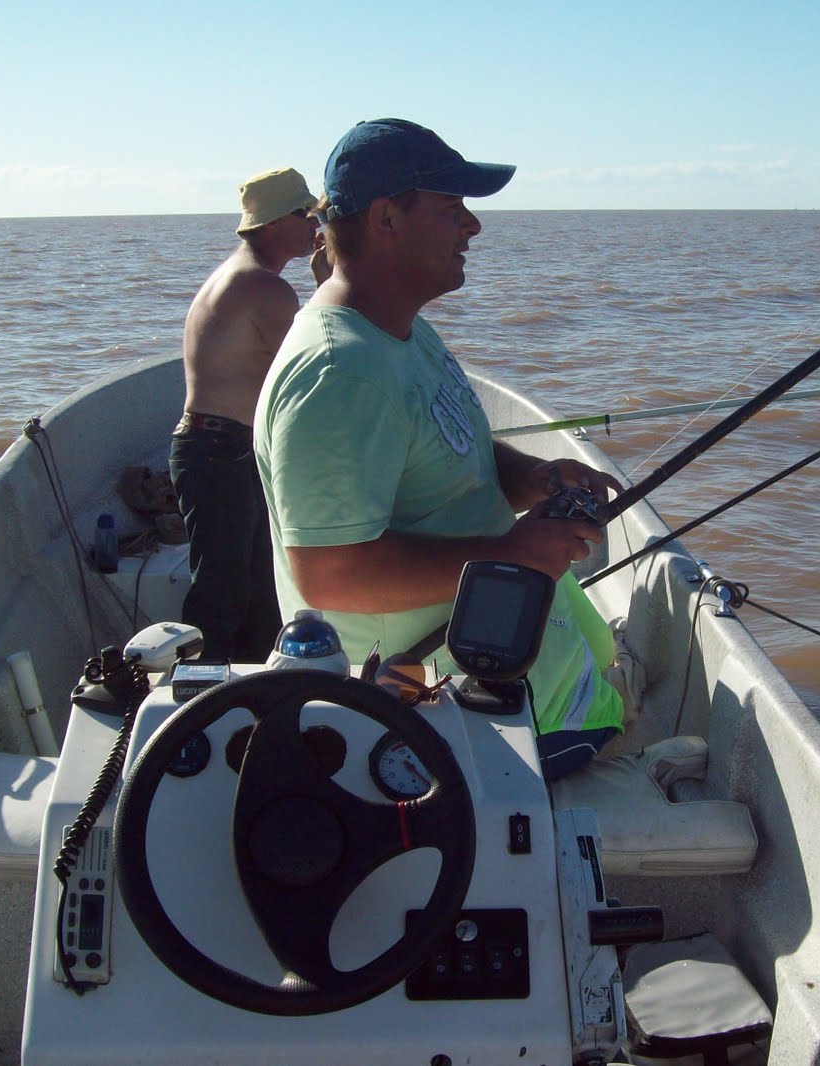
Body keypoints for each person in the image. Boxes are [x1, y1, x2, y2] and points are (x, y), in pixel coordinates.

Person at [255, 118, 626, 779]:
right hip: (443, 721)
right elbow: (329, 572)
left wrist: (537, 478)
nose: (472, 226)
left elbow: (454, 458)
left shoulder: (400, 334)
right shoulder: (339, 372)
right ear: (387, 218)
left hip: (517, 676)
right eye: (452, 207)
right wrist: (510, 552)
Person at [170, 167, 320, 662]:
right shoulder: (265, 289)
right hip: (221, 452)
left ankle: (253, 700)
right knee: (222, 597)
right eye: (306, 214)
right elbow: (318, 363)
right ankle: (197, 705)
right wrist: (330, 283)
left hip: (223, 449)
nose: (315, 226)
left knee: (258, 596)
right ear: (276, 222)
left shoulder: (242, 277)